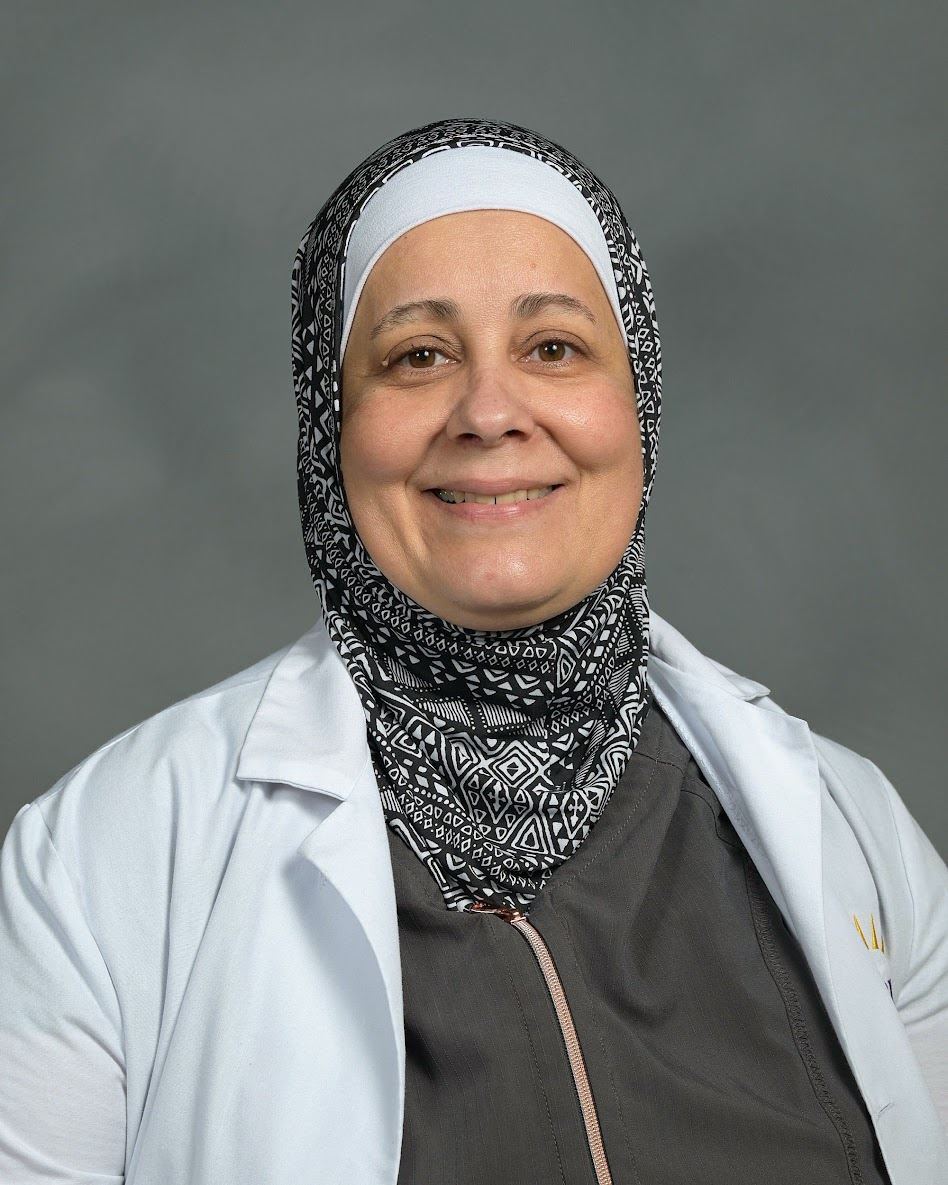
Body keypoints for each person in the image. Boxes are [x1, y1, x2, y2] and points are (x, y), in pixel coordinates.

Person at [0, 116, 945, 1185]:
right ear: (330, 422)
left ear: (636, 400)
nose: (490, 412)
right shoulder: (101, 865)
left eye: (554, 348)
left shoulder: (853, 831)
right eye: (419, 356)